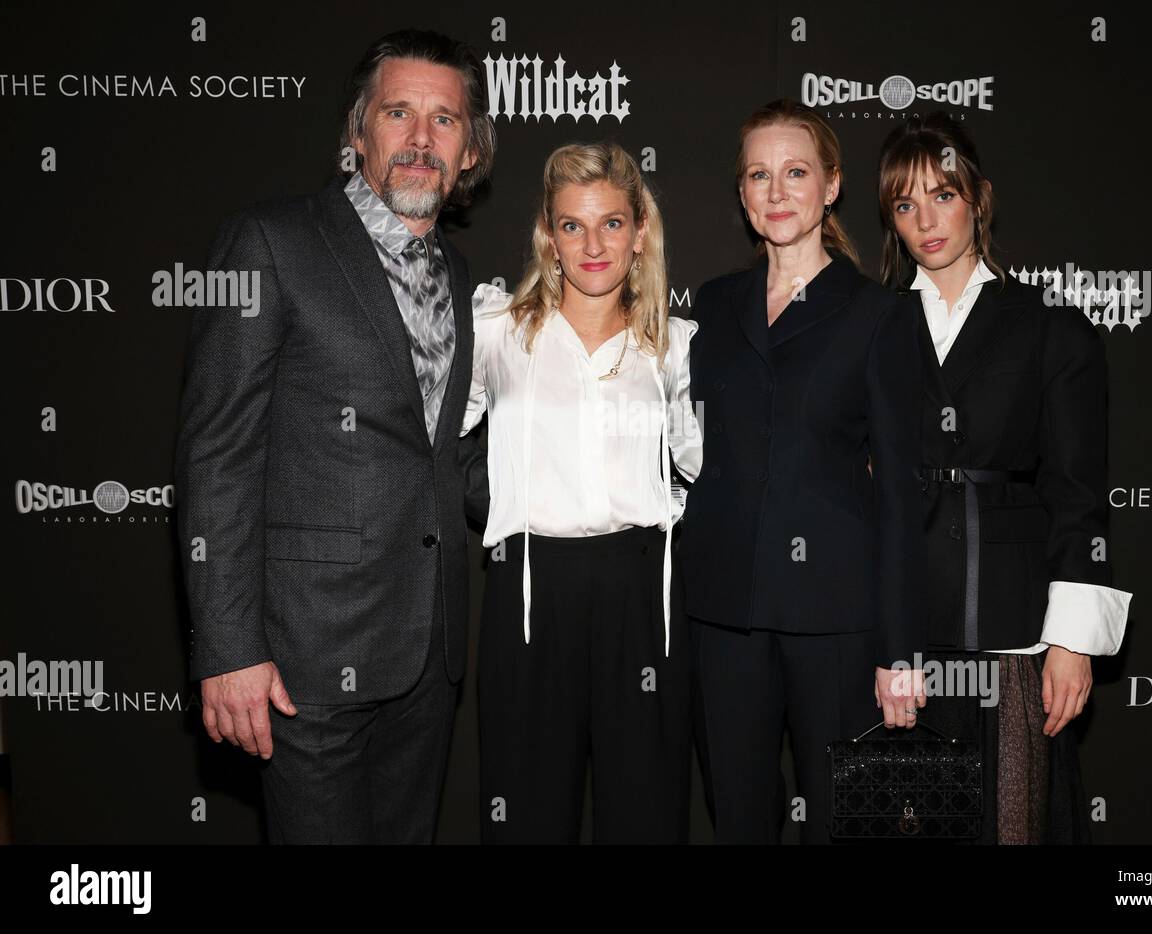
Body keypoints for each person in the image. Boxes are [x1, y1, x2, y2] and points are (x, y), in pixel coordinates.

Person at [174, 28, 494, 844]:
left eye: (445, 121)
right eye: (398, 113)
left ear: (469, 152)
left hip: (428, 649)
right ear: (359, 135)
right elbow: (217, 455)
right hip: (302, 657)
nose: (421, 140)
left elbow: (443, 455)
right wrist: (227, 648)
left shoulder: (459, 276)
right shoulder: (271, 242)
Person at [877, 111, 1132, 844]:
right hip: (904, 627)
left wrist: (1073, 640)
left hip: (1013, 630)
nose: (926, 219)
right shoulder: (875, 327)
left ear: (978, 198)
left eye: (943, 195)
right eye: (905, 203)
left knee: (1010, 820)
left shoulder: (1051, 326)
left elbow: (1078, 493)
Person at [680, 99, 927, 845]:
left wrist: (902, 652)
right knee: (739, 822)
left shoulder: (878, 315)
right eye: (759, 174)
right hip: (723, 618)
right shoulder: (712, 307)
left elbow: (903, 495)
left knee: (846, 825)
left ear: (831, 186)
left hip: (839, 623)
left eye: (796, 172)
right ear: (743, 193)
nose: (778, 191)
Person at [461, 142, 700, 843]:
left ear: (640, 232)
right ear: (548, 236)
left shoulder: (677, 347)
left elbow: (708, 465)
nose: (593, 243)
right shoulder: (497, 335)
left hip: (642, 594)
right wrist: (496, 496)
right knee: (526, 812)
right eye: (572, 224)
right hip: (530, 594)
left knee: (647, 814)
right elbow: (428, 442)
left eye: (611, 223)